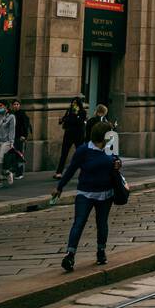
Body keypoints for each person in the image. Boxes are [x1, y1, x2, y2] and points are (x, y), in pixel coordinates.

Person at [53, 121, 124, 270]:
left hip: (106, 193)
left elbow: (117, 160)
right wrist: (59, 187)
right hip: (85, 193)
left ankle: (101, 252)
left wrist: (118, 163)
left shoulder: (110, 147)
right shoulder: (83, 150)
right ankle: (70, 255)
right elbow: (71, 169)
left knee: (102, 223)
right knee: (79, 222)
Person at [56, 97, 87, 180]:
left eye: (75, 103)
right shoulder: (69, 111)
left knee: (80, 154)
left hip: (78, 135)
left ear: (79, 104)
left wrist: (75, 115)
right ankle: (59, 172)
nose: (73, 104)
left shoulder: (82, 112)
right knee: (64, 154)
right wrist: (62, 120)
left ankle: (84, 171)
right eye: (73, 103)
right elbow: (65, 119)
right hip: (68, 134)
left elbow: (80, 122)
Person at [0, 100, 16, 187]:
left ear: (6, 106)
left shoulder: (11, 117)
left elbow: (12, 130)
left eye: (1, 105)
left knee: (0, 160)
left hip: (6, 141)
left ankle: (7, 172)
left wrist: (11, 142)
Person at [11, 100, 32, 177]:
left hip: (20, 137)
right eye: (14, 104)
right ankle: (15, 171)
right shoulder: (12, 114)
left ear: (19, 105)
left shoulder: (22, 114)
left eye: (17, 104)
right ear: (12, 105)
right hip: (13, 137)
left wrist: (24, 136)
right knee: (14, 155)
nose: (16, 105)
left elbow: (25, 126)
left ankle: (20, 173)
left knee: (20, 155)